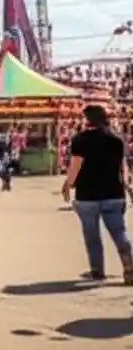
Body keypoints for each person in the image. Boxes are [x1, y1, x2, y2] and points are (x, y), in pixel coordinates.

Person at [62, 105, 133, 284]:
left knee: (91, 235)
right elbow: (122, 168)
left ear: (88, 120)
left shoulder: (80, 140)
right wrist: (127, 186)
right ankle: (129, 267)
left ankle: (97, 270)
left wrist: (67, 185)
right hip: (113, 192)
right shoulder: (116, 139)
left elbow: (76, 165)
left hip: (87, 194)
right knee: (119, 232)